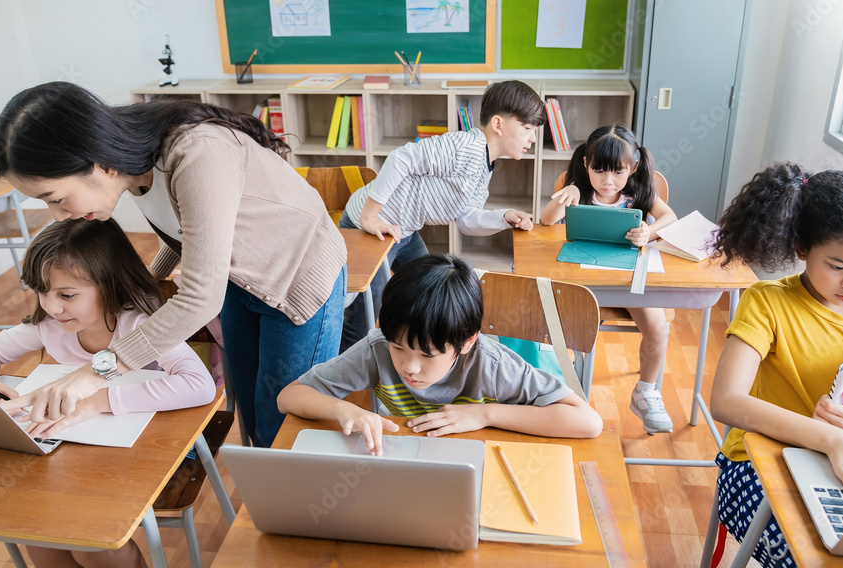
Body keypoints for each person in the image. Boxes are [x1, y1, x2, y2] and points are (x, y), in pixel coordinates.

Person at [0, 81, 347, 448]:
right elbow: (187, 230)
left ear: (96, 161)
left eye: (58, 198)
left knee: (284, 429)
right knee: (255, 415)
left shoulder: (197, 154)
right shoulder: (133, 163)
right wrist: (146, 281)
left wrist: (92, 374)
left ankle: (298, 502)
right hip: (240, 280)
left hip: (298, 281)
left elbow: (200, 299)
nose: (60, 215)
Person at [0, 218, 214, 568]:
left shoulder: (139, 326)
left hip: (152, 451)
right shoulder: (50, 327)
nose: (52, 307)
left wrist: (98, 402)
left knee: (90, 545)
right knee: (37, 533)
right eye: (41, 292)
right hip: (78, 453)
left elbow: (198, 385)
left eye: (67, 295)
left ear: (110, 284)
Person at [709, 162, 843, 567]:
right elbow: (726, 401)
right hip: (757, 465)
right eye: (838, 266)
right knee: (814, 558)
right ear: (802, 248)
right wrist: (833, 440)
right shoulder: (768, 302)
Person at [277, 254, 603, 456]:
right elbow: (289, 397)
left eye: (427, 354)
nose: (409, 366)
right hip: (421, 460)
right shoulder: (377, 349)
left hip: (493, 459)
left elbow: (587, 422)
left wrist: (484, 415)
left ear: (466, 342)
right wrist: (343, 408)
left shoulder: (491, 365)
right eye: (398, 347)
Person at [338, 80, 544, 351]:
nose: (532, 138)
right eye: (528, 128)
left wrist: (503, 217)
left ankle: (414, 348)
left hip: (403, 231)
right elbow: (402, 158)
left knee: (431, 287)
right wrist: (369, 217)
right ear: (498, 124)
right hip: (367, 227)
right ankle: (337, 370)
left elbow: (466, 219)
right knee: (364, 310)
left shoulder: (485, 166)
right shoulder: (466, 147)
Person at [539, 125, 677, 434]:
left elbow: (670, 218)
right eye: (599, 170)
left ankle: (646, 391)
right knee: (567, 326)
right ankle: (565, 386)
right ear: (586, 163)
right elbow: (546, 220)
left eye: (617, 172)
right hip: (584, 285)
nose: (607, 181)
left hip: (629, 283)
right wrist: (568, 193)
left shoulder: (639, 192)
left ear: (633, 168)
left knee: (657, 328)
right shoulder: (579, 192)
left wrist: (650, 232)